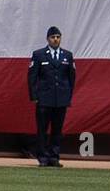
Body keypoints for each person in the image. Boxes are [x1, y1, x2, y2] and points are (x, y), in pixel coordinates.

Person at [28, 26, 75, 167]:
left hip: (60, 99)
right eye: (53, 37)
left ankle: (54, 157)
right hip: (44, 98)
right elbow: (32, 77)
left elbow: (71, 78)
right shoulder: (39, 55)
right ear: (48, 39)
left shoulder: (67, 55)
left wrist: (68, 96)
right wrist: (34, 96)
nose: (56, 39)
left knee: (57, 130)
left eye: (58, 37)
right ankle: (42, 157)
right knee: (42, 130)